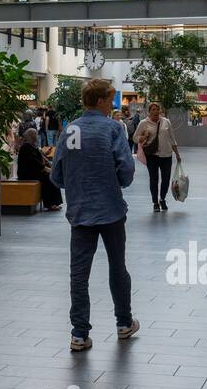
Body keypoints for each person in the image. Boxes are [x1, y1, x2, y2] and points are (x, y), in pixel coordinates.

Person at [50, 78, 140, 352]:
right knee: (117, 267)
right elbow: (126, 170)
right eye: (110, 99)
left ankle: (79, 333)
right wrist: (115, 182)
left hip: (80, 213)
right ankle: (124, 323)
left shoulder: (70, 129)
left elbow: (56, 174)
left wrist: (76, 186)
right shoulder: (113, 128)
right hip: (111, 211)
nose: (112, 104)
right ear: (101, 101)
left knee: (79, 274)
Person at [134, 101, 180, 212]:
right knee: (154, 179)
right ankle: (155, 202)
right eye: (153, 110)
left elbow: (172, 138)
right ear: (149, 112)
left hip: (166, 155)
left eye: (157, 109)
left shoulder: (166, 122)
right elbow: (135, 138)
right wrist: (143, 137)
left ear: (160, 111)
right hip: (152, 156)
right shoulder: (143, 123)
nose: (156, 112)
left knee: (166, 179)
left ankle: (162, 199)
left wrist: (177, 154)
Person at [17, 127, 61, 211]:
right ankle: (50, 204)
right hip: (27, 174)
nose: (37, 136)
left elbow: (39, 157)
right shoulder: (26, 147)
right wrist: (46, 169)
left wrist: (47, 163)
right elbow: (34, 162)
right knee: (48, 178)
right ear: (31, 136)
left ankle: (54, 202)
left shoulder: (32, 145)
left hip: (33, 171)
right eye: (35, 134)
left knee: (50, 176)